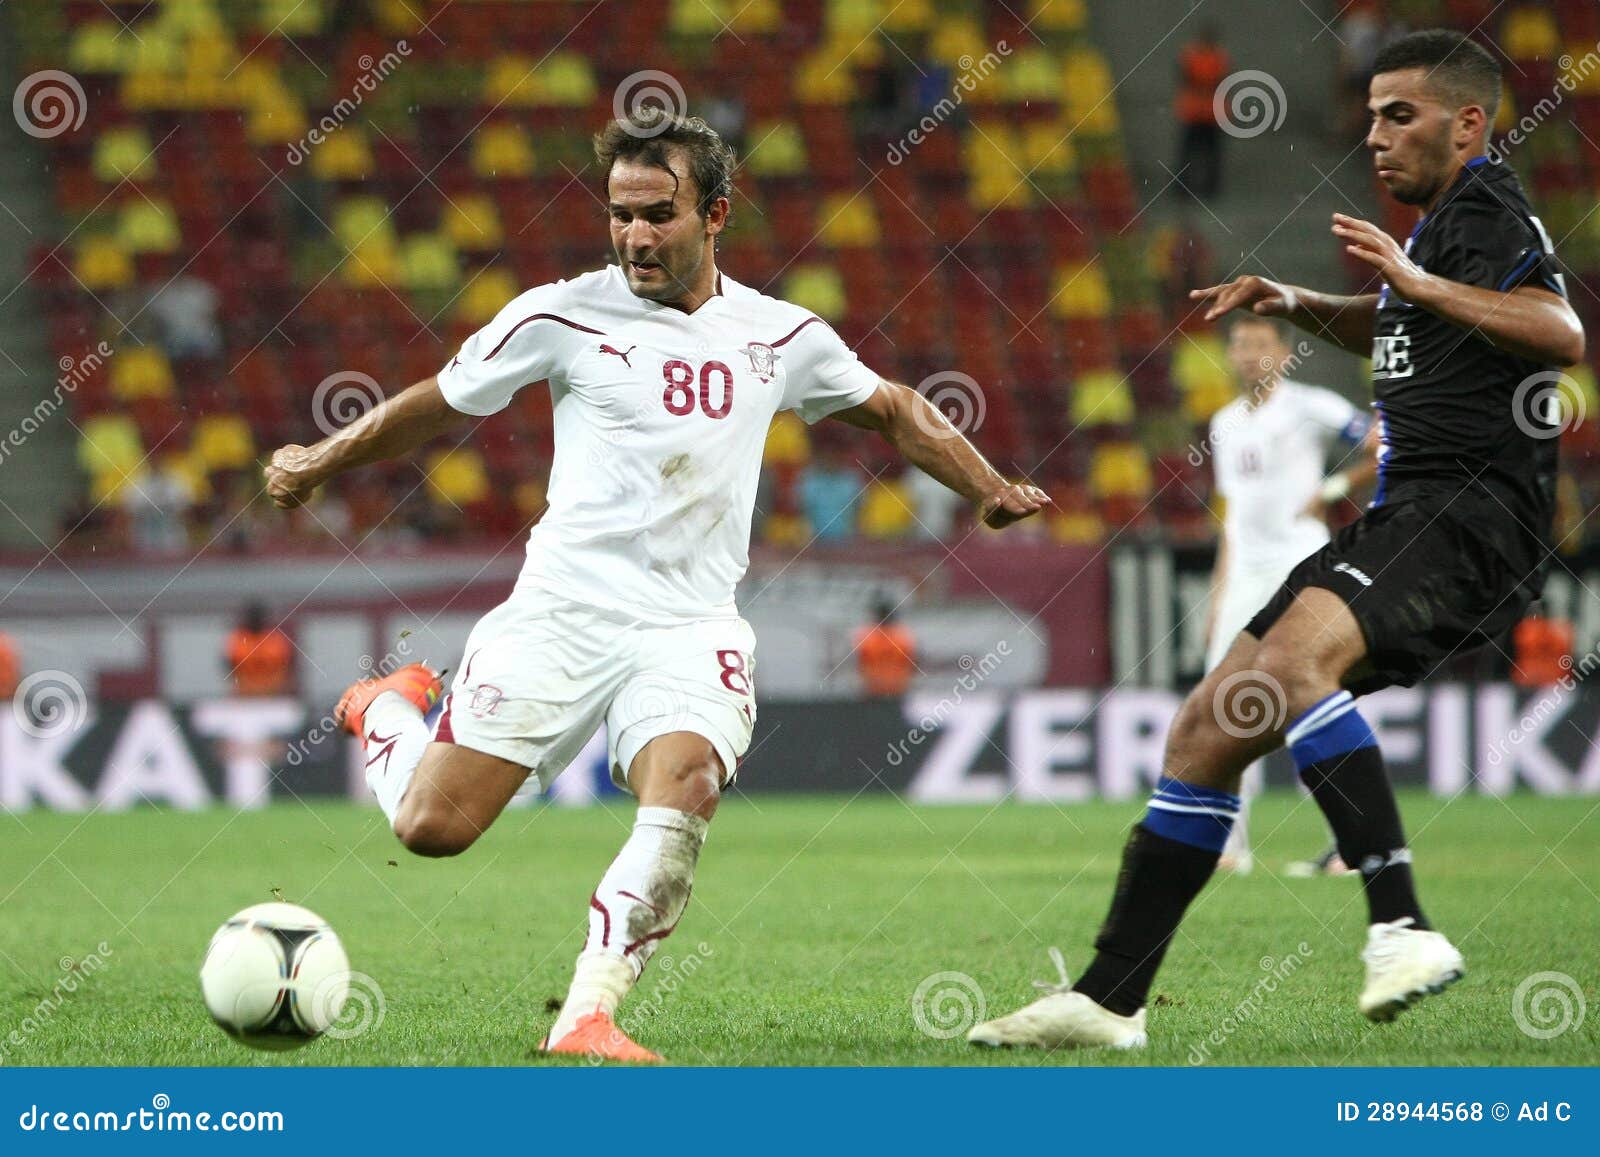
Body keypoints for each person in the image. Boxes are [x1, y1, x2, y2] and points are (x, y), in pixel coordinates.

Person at [264, 108, 1048, 1062]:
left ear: (716, 213)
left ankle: (586, 1014)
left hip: (689, 623)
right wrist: (318, 459)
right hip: (562, 611)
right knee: (432, 828)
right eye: (620, 213)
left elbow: (892, 410)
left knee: (687, 785)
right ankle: (389, 711)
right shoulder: (560, 314)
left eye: (658, 214)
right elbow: (439, 401)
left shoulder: (780, 334)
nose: (634, 235)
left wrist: (989, 488)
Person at [971, 29, 1582, 1050]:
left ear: (1468, 124)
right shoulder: (1433, 233)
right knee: (1207, 728)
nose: (1376, 133)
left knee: (1295, 661)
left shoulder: (1485, 206)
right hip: (1407, 514)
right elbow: (1397, 324)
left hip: (1467, 511)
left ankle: (1400, 922)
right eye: (1373, 112)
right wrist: (1299, 300)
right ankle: (1111, 994)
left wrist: (1419, 286)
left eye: (1402, 115)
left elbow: (1556, 328)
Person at [1204, 314, 1377, 873]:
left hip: (1302, 563)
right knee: (1223, 704)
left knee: (1313, 696)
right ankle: (1230, 846)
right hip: (1246, 573)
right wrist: (1218, 597)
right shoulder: (1223, 422)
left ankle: (1349, 844)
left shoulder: (1310, 404)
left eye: (1260, 344)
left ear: (1282, 353)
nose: (1249, 354)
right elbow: (1232, 521)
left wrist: (1334, 486)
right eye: (1239, 345)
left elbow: (1384, 439)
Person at [1174, 24, 1230, 201]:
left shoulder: (1191, 55)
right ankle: (1206, 188)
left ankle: (1187, 187)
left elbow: (1184, 77)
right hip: (1205, 111)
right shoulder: (1219, 57)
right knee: (1207, 153)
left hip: (1199, 110)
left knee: (1193, 151)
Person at [225, 603, 294, 696]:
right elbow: (230, 669)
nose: (255, 622)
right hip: (243, 695)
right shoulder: (237, 640)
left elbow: (286, 669)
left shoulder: (276, 640)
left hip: (273, 695)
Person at [854, 598, 918, 697]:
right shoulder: (903, 637)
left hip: (875, 688)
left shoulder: (866, 637)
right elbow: (912, 665)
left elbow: (860, 664)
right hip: (896, 688)